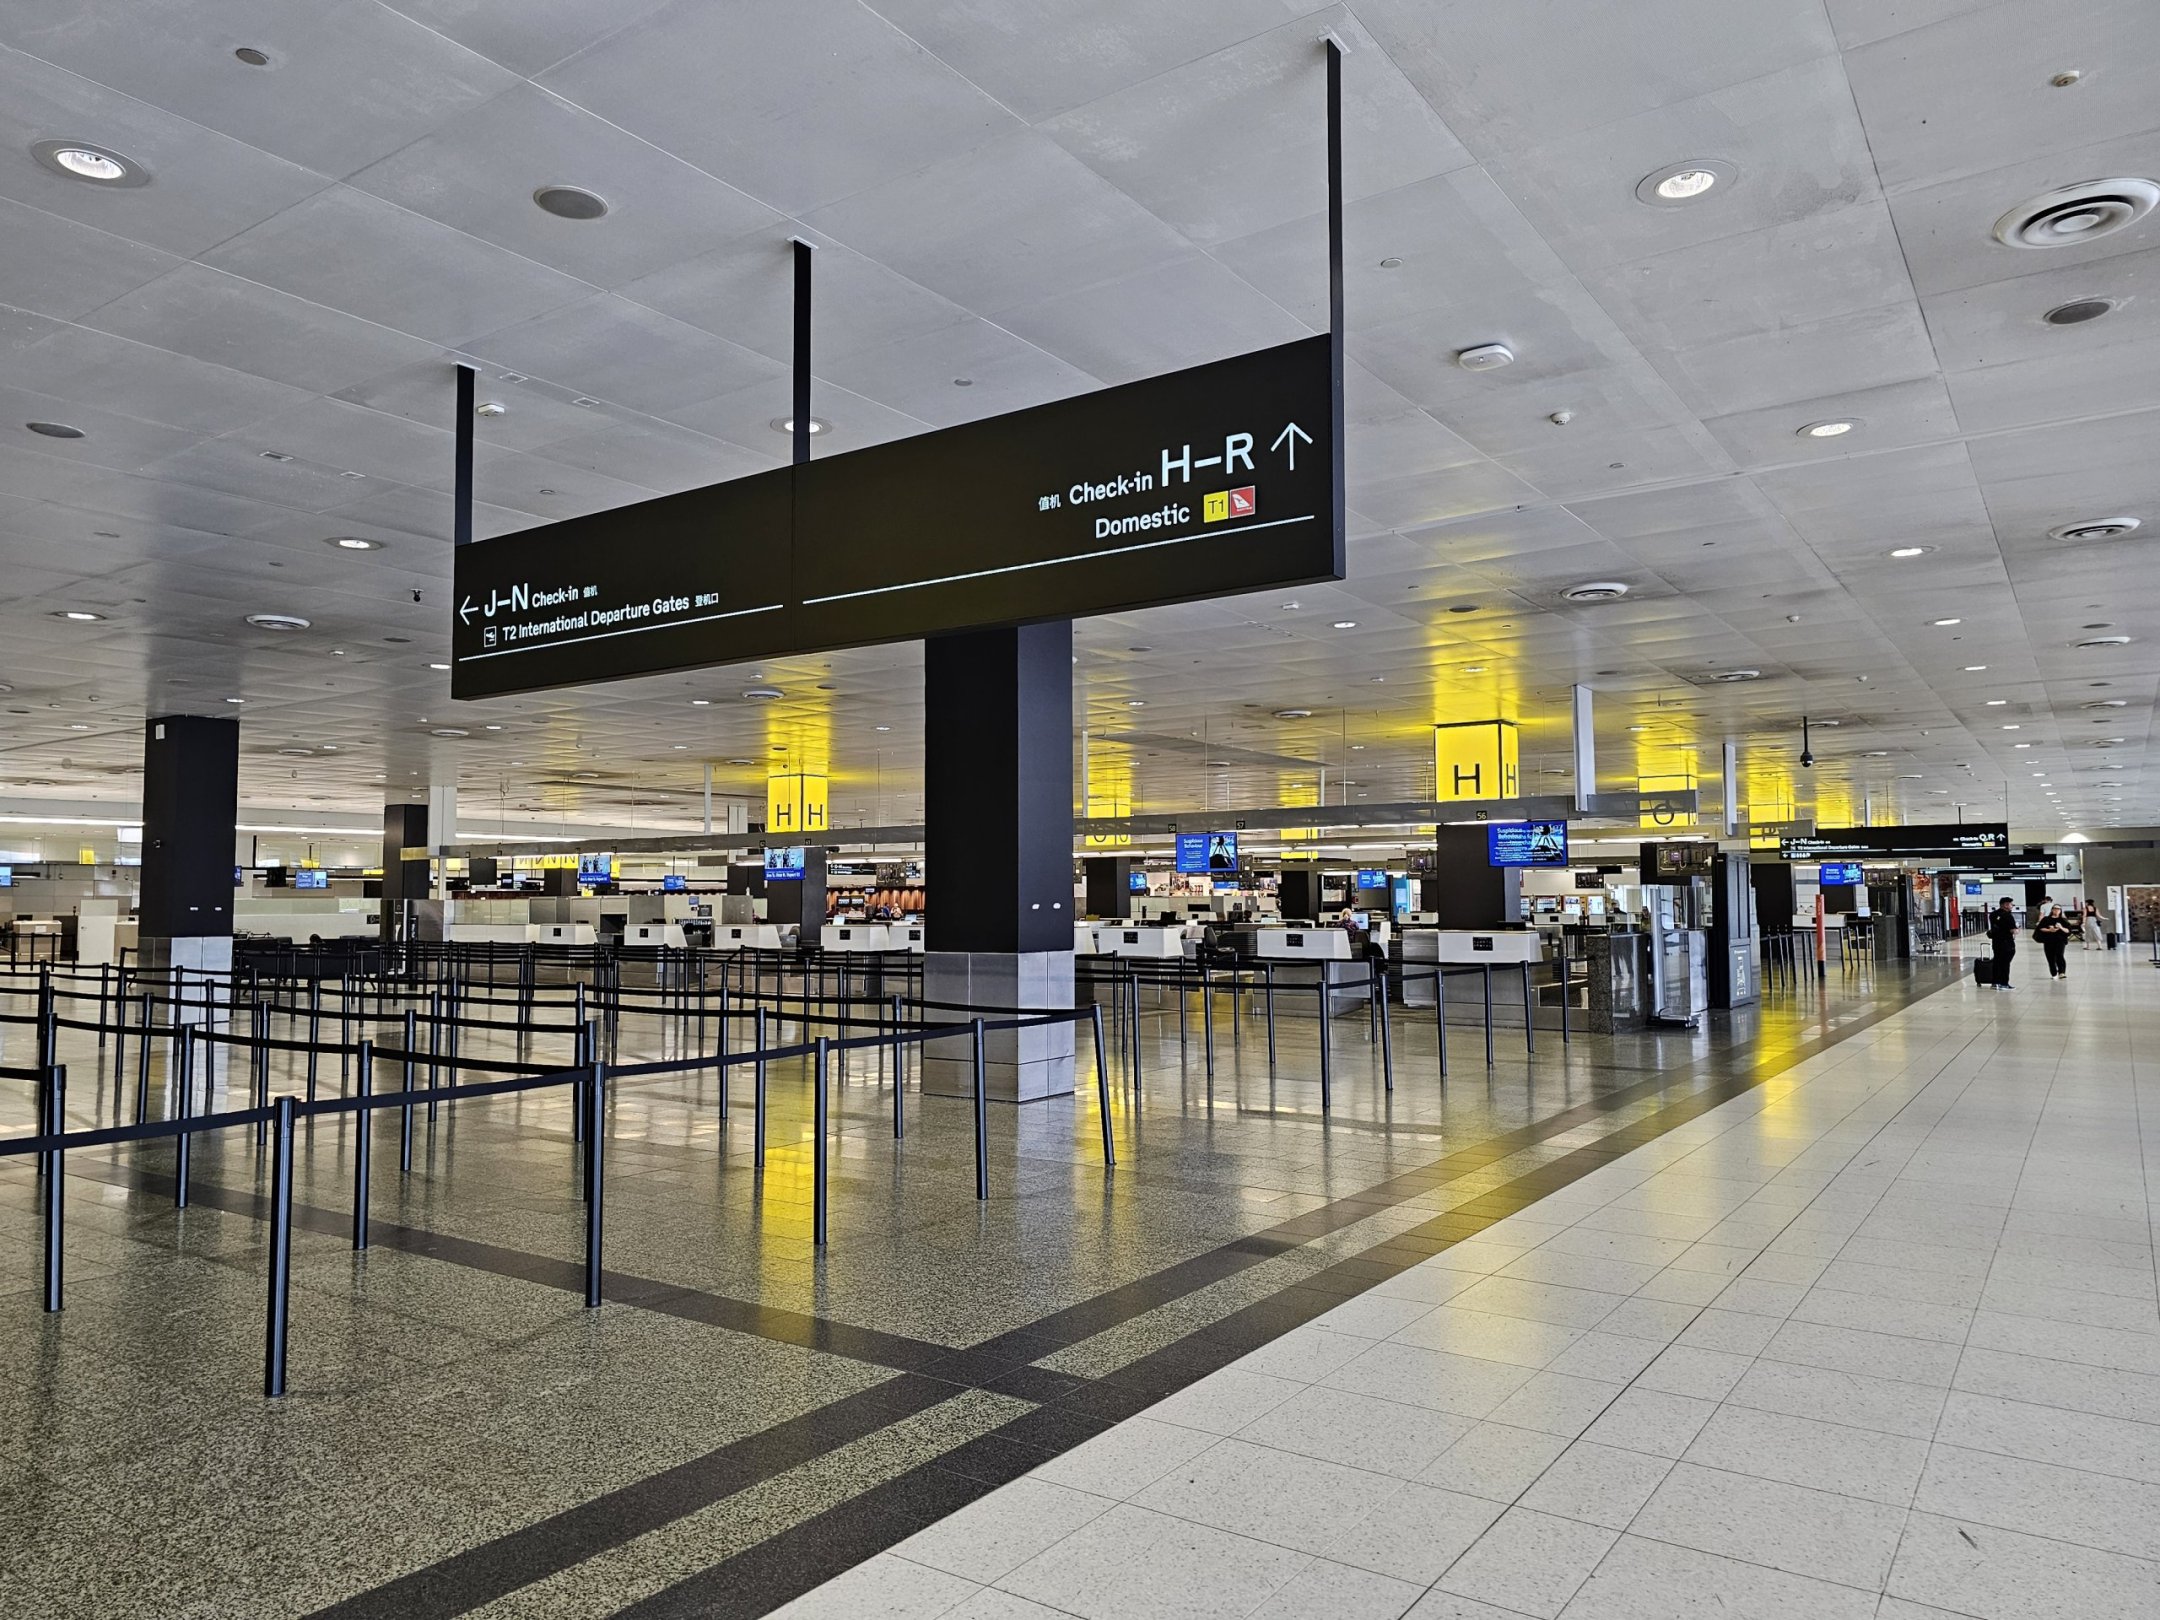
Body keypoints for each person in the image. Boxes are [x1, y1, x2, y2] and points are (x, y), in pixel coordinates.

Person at [2033, 905, 2075, 980]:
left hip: (2060, 940)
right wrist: (2049, 930)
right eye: (2055, 909)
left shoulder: (2063, 920)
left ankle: (2062, 972)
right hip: (2048, 941)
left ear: (2060, 910)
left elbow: (2068, 931)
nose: (2056, 910)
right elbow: (2040, 928)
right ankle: (2054, 972)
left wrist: (2061, 927)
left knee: (2059, 955)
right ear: (2052, 910)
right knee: (2050, 957)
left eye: (2058, 909)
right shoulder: (2046, 919)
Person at [1986, 898, 2018, 989]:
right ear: (2006, 905)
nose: (2012, 906)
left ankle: (1995, 982)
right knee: (2005, 963)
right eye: (2011, 904)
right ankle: (2004, 983)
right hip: (2007, 943)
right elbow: (2013, 930)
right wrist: (2017, 929)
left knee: (1997, 962)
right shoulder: (2008, 916)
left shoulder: (1993, 914)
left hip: (1996, 942)